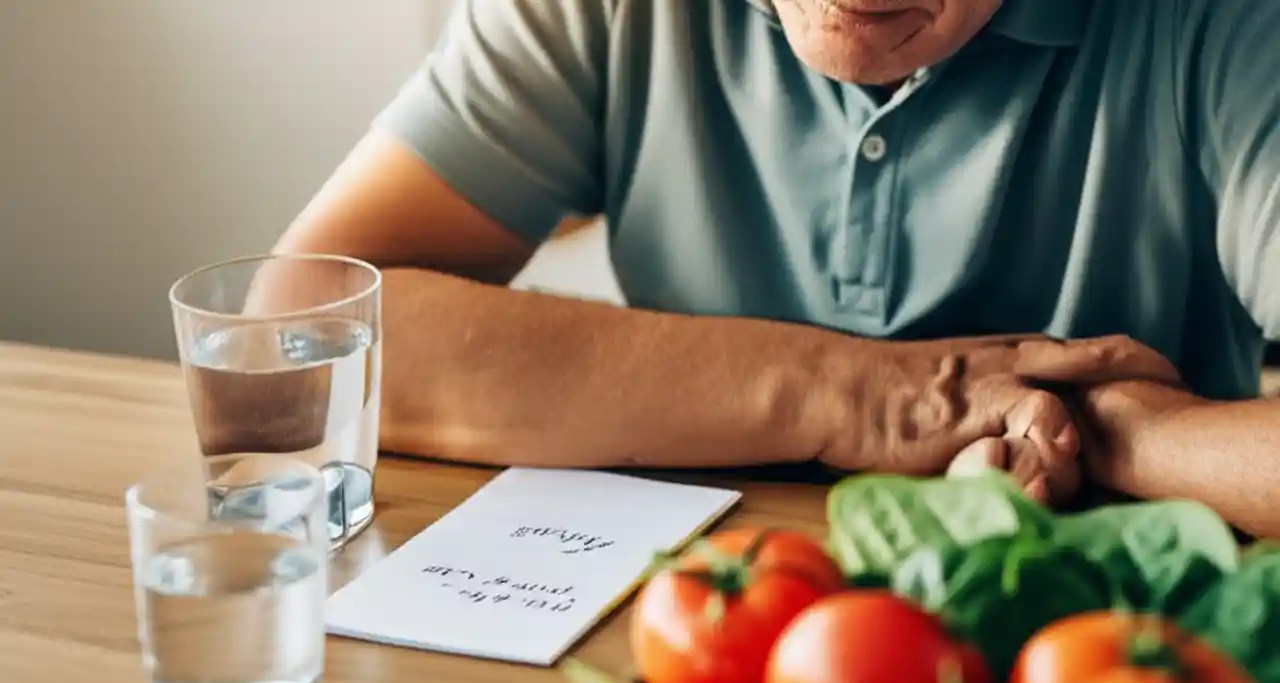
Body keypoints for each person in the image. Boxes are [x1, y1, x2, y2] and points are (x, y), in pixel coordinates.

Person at [274, 0, 1279, 535]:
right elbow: (298, 331)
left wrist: (1116, 435)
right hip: (706, 630)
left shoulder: (1230, 23)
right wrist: (874, 399)